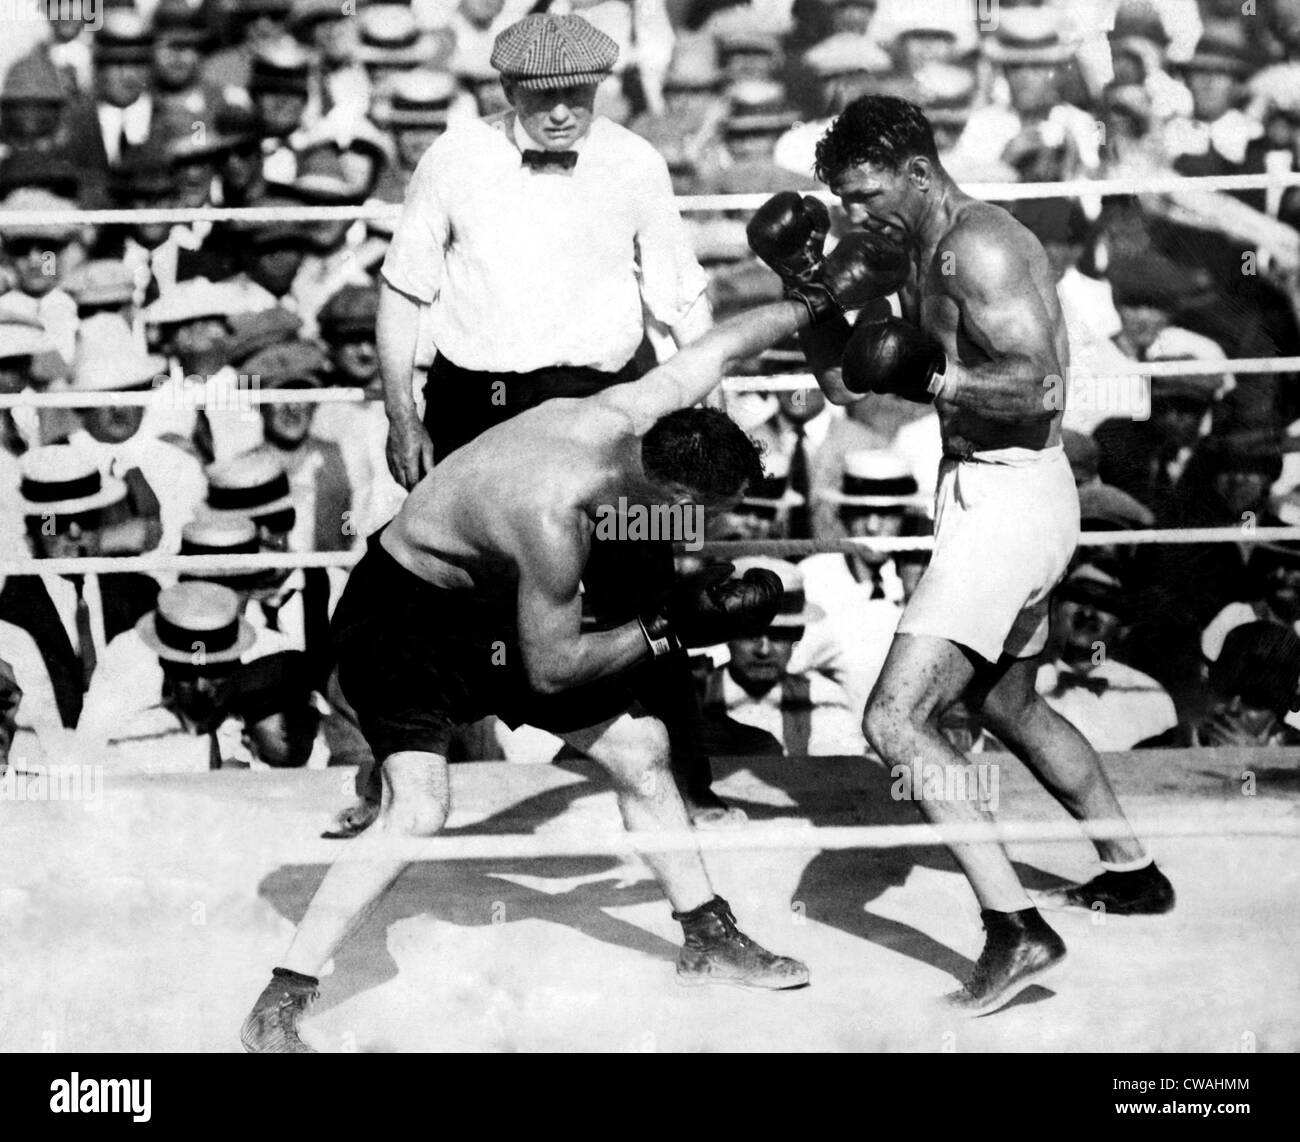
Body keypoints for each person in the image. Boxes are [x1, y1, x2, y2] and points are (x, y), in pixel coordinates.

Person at [240, 258, 900, 1051]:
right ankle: (284, 996)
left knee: (642, 749)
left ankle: (706, 934)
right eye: (702, 518)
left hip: (479, 595)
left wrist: (814, 300)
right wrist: (671, 626)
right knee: (420, 807)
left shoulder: (630, 412)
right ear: (678, 498)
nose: (699, 535)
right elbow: (552, 670)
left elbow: (719, 349)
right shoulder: (555, 520)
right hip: (401, 622)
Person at [748, 93, 1175, 1016]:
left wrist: (934, 375)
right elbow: (836, 384)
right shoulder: (909, 248)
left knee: (894, 721)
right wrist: (811, 288)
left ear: (915, 169)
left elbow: (1043, 384)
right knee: (1008, 702)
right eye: (844, 202)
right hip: (984, 493)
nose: (856, 215)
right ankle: (1131, 870)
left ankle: (1014, 927)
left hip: (1013, 495)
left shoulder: (978, 245)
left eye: (866, 195)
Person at [375, 12, 731, 825]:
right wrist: (402, 414)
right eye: (543, 97)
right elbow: (404, 290)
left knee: (641, 575)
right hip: (475, 403)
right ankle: (396, 783)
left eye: (578, 94)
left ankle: (686, 779)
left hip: (599, 405)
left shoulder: (636, 162)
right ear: (505, 90)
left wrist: (714, 413)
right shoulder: (455, 156)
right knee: (440, 586)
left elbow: (680, 297)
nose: (563, 111)